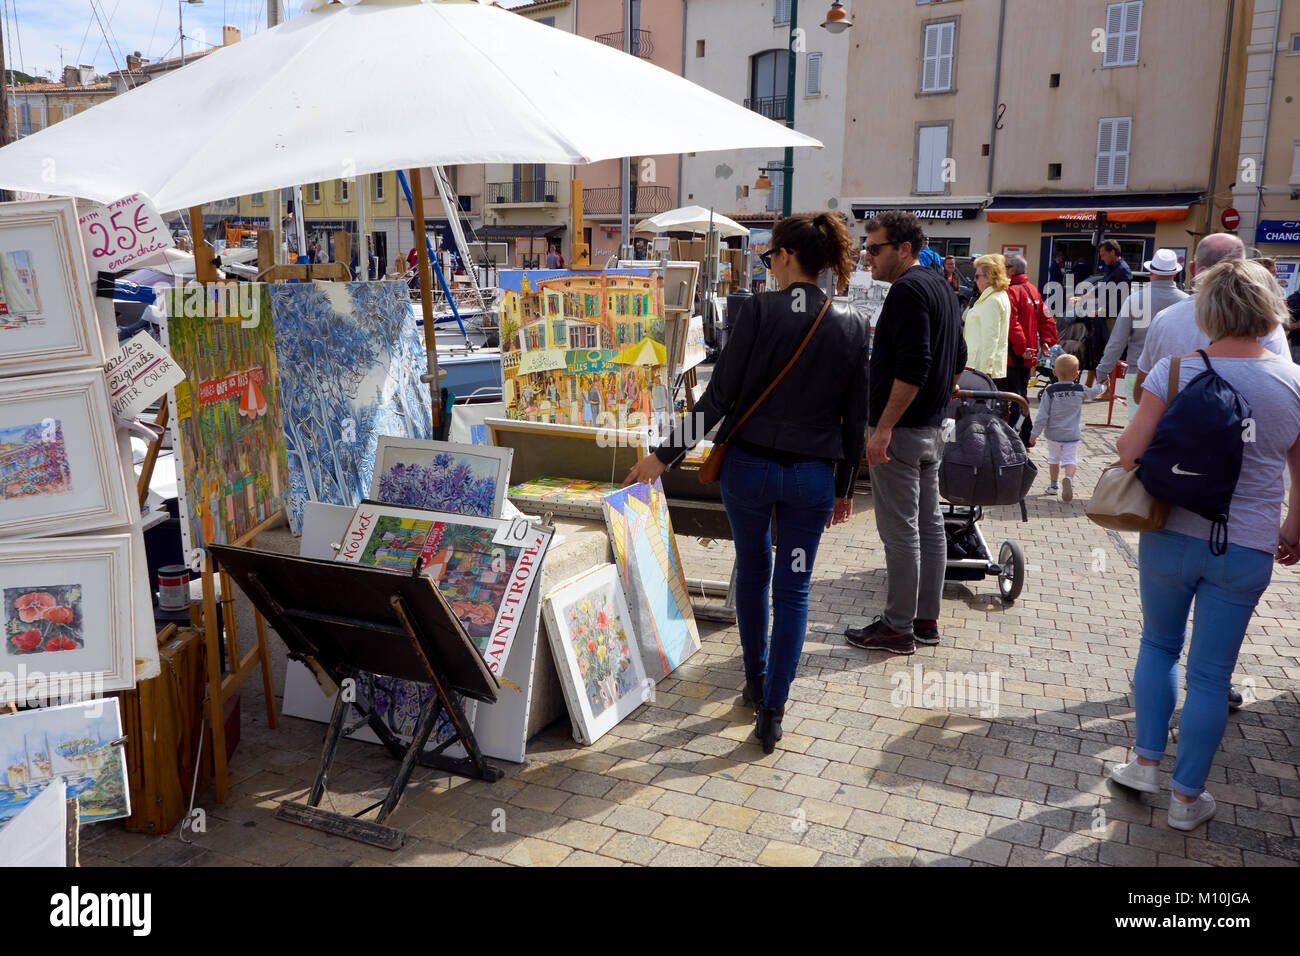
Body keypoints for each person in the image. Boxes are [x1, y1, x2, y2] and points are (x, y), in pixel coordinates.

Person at [623, 212, 867, 754]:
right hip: (812, 479)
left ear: (783, 255)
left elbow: (718, 399)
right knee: (794, 589)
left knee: (754, 574)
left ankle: (755, 682)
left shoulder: (756, 311)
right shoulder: (851, 322)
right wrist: (846, 487)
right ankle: (774, 712)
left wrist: (662, 457)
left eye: (769, 257)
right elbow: (857, 414)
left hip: (749, 470)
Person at [1111, 258, 1300, 831]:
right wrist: (1292, 529)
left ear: (1207, 310)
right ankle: (1187, 799)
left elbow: (1126, 451)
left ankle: (1145, 764)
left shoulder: (1173, 371)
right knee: (1213, 676)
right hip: (1246, 542)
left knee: (1159, 645)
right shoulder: (1293, 381)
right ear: (1271, 312)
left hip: (1170, 530)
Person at [845, 210, 966, 654]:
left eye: (874, 249)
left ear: (904, 249)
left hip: (905, 429)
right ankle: (924, 620)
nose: (868, 256)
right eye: (866, 248)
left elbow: (915, 365)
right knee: (929, 527)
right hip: (930, 427)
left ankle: (898, 627)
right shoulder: (941, 286)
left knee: (901, 531)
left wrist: (884, 429)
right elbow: (958, 351)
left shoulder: (909, 290)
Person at [1135, 234, 1288, 403]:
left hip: (1175, 423)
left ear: (1192, 270)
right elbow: (1282, 389)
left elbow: (1141, 393)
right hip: (1246, 425)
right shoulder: (1264, 322)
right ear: (1242, 269)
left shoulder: (1164, 319)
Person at [1095, 248, 1189, 402]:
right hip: (1176, 375)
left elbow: (1117, 341)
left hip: (1138, 373)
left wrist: (1102, 372)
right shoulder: (1187, 303)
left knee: (1139, 424)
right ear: (1175, 274)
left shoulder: (1134, 300)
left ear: (1151, 272)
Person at [1028, 353, 1104, 499]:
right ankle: (1069, 477)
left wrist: (1034, 434)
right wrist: (1102, 386)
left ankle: (1053, 485)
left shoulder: (1050, 391)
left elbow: (1042, 415)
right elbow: (1094, 393)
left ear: (1054, 373)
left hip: (1053, 435)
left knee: (1054, 460)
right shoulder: (1079, 389)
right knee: (1070, 459)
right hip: (1072, 434)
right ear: (1076, 374)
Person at [1003, 254, 1058, 440]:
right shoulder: (1032, 290)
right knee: (1021, 394)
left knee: (1015, 396)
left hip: (1015, 353)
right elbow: (1047, 318)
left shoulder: (1011, 292)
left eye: (1004, 267)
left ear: (1011, 269)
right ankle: (1027, 433)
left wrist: (1021, 347)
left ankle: (1018, 435)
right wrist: (1046, 341)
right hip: (1028, 353)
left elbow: (1012, 324)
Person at [964, 254, 1012, 380]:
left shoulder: (992, 300)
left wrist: (984, 373)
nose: (974, 280)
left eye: (977, 276)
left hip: (980, 369)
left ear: (989, 277)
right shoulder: (993, 296)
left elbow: (991, 339)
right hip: (978, 367)